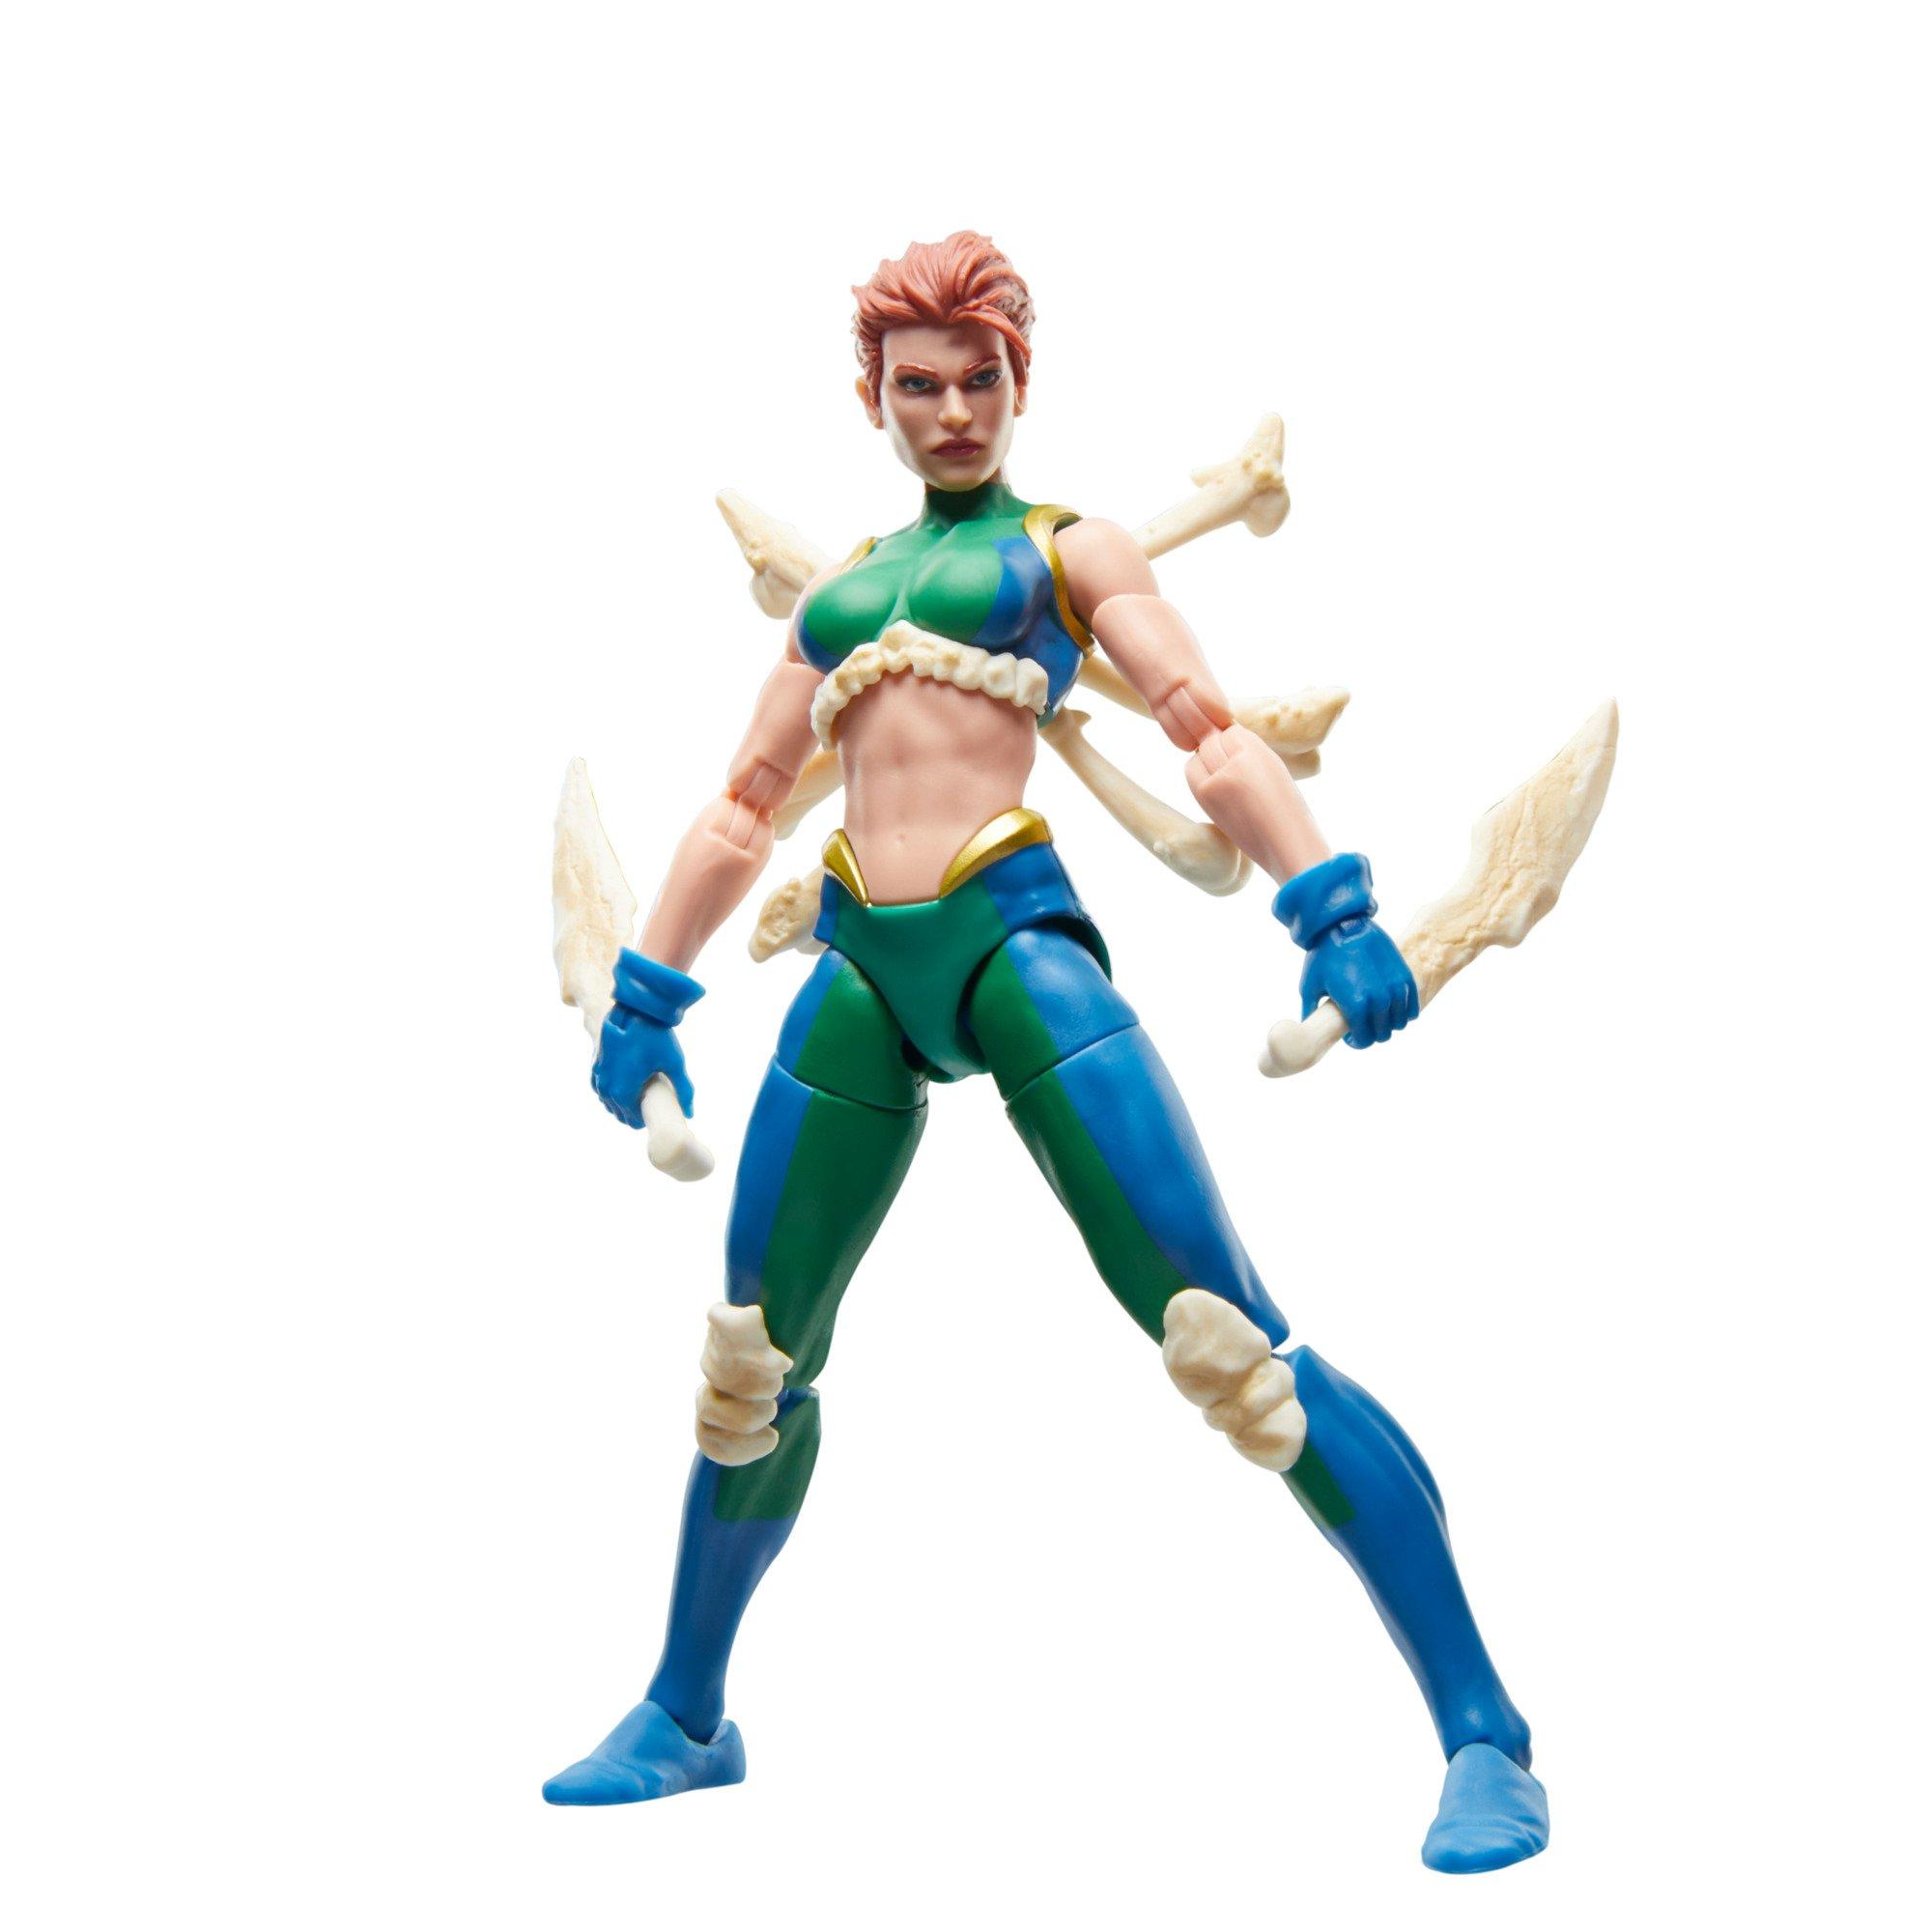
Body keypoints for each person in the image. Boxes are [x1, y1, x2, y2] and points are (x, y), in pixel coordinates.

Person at [544, 233, 1548, 1874]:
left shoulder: (1066, 551)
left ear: (1021, 385)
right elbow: (743, 804)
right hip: (860, 964)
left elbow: (1206, 730)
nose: (952, 411)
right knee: (750, 1367)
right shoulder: (841, 595)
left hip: (1014, 948)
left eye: (980, 380)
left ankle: (1483, 1729)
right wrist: (651, 988)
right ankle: (686, 1713)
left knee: (1230, 1342)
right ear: (872, 399)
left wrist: (1329, 905)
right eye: (918, 385)